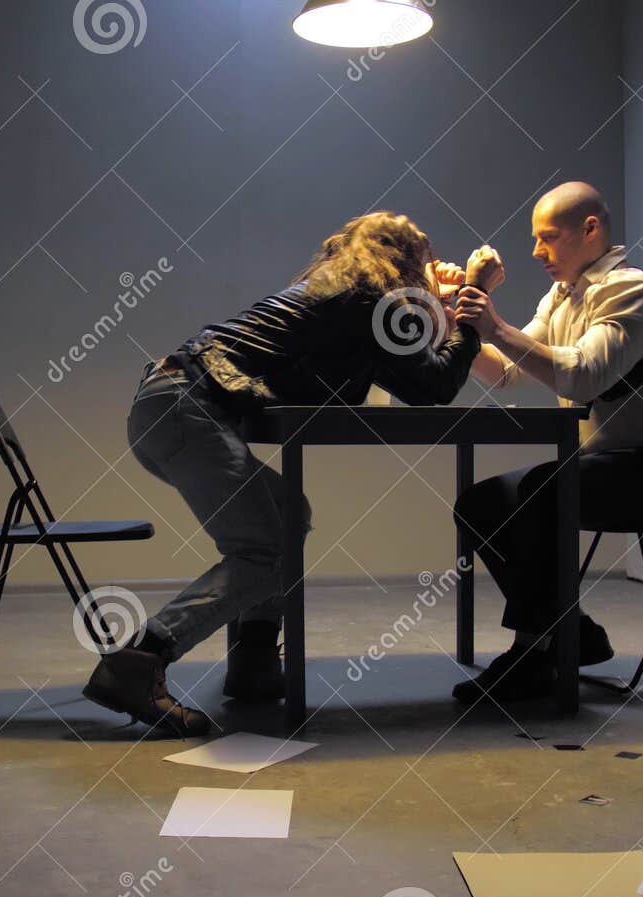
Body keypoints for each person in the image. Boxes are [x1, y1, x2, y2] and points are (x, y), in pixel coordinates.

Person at [84, 212, 499, 736]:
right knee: (266, 551)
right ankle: (137, 664)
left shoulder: (345, 293)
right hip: (187, 409)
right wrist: (468, 310)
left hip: (169, 403)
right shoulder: (370, 300)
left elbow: (406, 369)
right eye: (423, 260)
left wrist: (432, 309)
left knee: (287, 514)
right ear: (403, 261)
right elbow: (433, 387)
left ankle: (254, 665)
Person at [449, 182, 643, 703]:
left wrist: (492, 323)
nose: (538, 252)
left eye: (549, 238)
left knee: (538, 494)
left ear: (590, 230)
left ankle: (536, 651)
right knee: (478, 504)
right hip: (601, 468)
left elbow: (584, 375)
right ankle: (571, 631)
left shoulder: (633, 292)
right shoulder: (561, 298)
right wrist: (462, 322)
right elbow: (505, 374)